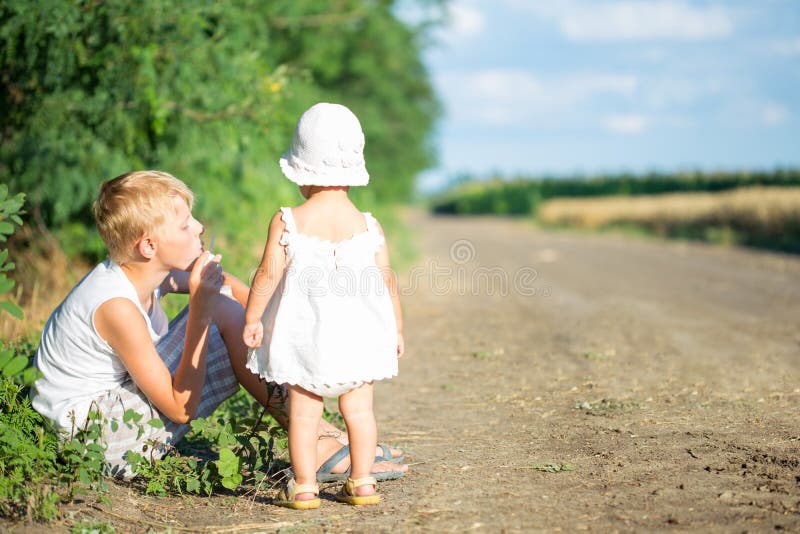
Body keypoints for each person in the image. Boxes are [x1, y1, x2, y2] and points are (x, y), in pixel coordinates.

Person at [30, 170, 406, 481]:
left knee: (228, 308)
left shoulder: (141, 273)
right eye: (184, 225)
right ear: (148, 246)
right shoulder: (116, 306)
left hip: (116, 415)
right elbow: (180, 409)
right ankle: (318, 440)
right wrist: (200, 308)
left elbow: (234, 289)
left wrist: (295, 324)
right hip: (95, 438)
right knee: (220, 313)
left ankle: (318, 433)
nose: (199, 227)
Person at [243, 102, 404, 509]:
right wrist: (397, 330)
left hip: (306, 344)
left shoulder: (288, 221)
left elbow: (267, 275)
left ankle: (304, 486)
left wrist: (252, 317)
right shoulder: (369, 226)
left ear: (301, 173)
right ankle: (363, 482)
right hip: (359, 342)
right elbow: (387, 282)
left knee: (304, 416)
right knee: (360, 413)